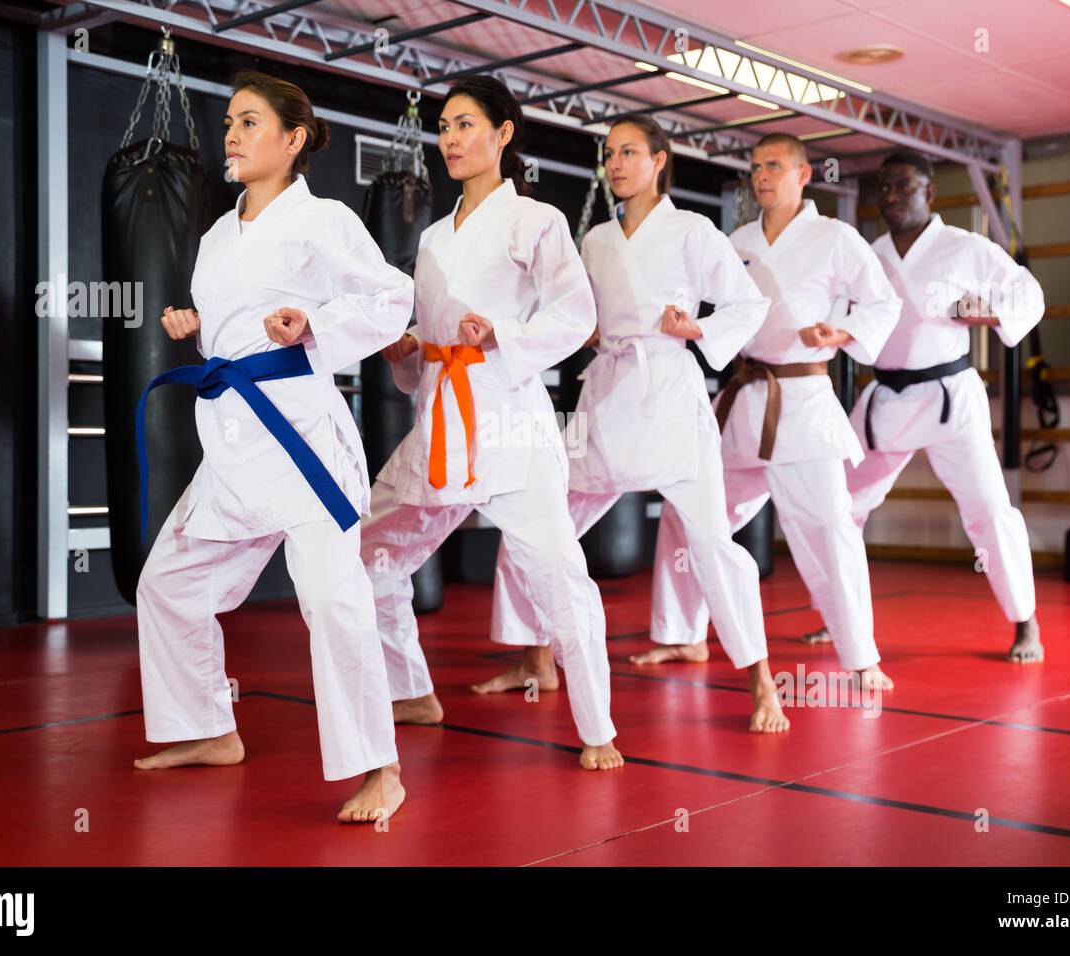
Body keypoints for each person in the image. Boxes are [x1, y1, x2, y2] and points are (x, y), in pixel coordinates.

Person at [133, 71, 412, 824]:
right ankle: (207, 729)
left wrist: (313, 325)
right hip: (230, 442)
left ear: (292, 141)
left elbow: (391, 299)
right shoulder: (221, 231)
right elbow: (234, 315)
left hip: (299, 437)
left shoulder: (321, 219)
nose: (231, 134)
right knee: (167, 586)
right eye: (229, 122)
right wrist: (193, 327)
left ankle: (380, 768)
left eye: (249, 122)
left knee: (332, 597)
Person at [480, 114, 790, 732]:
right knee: (538, 520)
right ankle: (535, 659)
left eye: (628, 152)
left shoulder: (692, 230)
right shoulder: (594, 239)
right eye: (609, 154)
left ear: (659, 160)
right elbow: (576, 315)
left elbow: (748, 303)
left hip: (669, 391)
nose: (615, 163)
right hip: (606, 389)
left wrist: (697, 329)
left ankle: (763, 684)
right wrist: (577, 329)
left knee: (709, 542)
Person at [362, 76, 623, 770]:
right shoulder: (434, 236)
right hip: (439, 414)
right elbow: (432, 329)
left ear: (503, 134)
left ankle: (597, 728)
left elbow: (576, 317)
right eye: (443, 126)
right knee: (368, 557)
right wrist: (409, 345)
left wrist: (501, 333)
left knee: (558, 572)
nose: (449, 138)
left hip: (507, 418)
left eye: (465, 124)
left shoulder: (536, 220)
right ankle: (409, 690)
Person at [648, 133, 902, 693]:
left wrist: (843, 331)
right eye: (755, 167)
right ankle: (681, 631)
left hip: (803, 400)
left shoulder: (835, 238)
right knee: (686, 513)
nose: (762, 176)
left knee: (830, 526)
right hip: (743, 399)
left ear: (803, 175)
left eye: (774, 166)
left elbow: (884, 301)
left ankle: (860, 656)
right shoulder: (735, 240)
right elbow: (704, 306)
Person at [834, 149, 1045, 662]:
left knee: (989, 510)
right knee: (837, 506)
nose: (891, 197)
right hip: (884, 397)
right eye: (883, 188)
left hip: (952, 396)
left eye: (903, 186)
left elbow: (1029, 293)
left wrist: (991, 312)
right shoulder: (868, 254)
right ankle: (840, 617)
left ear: (929, 192)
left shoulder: (962, 247)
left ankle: (1025, 622)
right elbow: (840, 312)